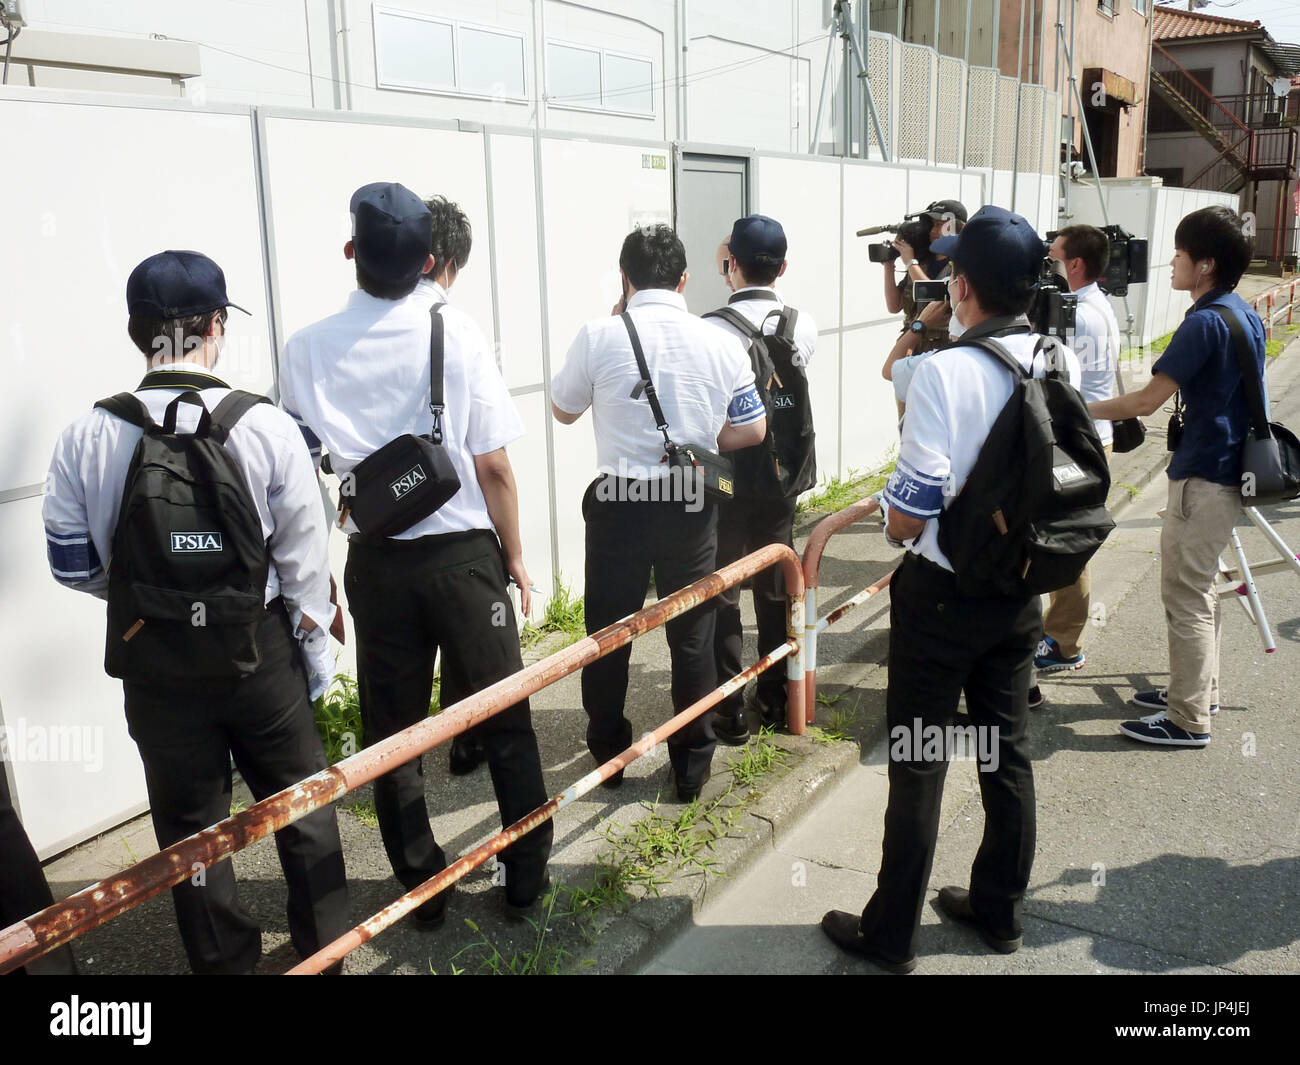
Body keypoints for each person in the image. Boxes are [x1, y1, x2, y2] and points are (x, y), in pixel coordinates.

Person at [42, 250, 350, 974]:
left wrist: (153, 605)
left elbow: (73, 567)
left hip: (156, 665)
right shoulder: (267, 427)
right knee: (301, 805)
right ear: (216, 325)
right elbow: (307, 569)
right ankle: (326, 952)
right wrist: (312, 659)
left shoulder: (87, 435)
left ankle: (226, 964)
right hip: (260, 652)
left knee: (191, 833)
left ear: (136, 331)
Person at [279, 182, 552, 921]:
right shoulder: (456, 331)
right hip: (465, 559)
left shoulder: (303, 349)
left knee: (393, 732)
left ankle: (421, 885)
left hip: (377, 565)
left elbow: (300, 481)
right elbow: (493, 465)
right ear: (431, 260)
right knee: (504, 716)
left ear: (350, 253)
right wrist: (516, 556)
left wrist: (317, 585)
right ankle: (525, 873)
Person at [821, 206, 1081, 972]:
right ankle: (998, 910)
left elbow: (912, 510)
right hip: (1019, 591)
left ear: (960, 285)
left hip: (941, 597)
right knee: (1008, 753)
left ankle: (890, 930)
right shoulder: (1052, 356)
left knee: (919, 756)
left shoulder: (942, 372)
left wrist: (898, 521)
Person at [550, 224, 766, 801]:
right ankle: (692, 763)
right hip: (690, 502)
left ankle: (608, 751)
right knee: (691, 633)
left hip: (620, 503)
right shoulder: (721, 342)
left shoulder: (598, 335)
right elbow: (753, 427)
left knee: (609, 632)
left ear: (625, 277)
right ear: (685, 279)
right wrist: (703, 437)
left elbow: (562, 409)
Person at [1088, 205, 1265, 747]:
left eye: (1181, 255)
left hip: (1204, 476)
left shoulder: (1204, 322)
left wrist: (1073, 407)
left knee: (1186, 594)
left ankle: (1188, 720)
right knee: (1203, 587)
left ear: (1206, 265)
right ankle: (1198, 691)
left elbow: (1145, 400)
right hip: (1230, 467)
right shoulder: (1243, 312)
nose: (1170, 263)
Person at [703, 214, 818, 742]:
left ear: (731, 264)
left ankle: (730, 708)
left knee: (723, 587)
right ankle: (775, 693)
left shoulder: (710, 328)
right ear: (783, 267)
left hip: (728, 478)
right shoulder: (802, 324)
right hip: (781, 475)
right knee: (776, 582)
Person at [1029, 224, 1122, 706]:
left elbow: (1055, 381)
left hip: (1077, 439)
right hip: (1090, 437)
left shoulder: (1074, 317)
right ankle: (1062, 634)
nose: (1048, 264)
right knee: (1068, 536)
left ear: (1076, 265)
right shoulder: (1096, 303)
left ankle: (1064, 642)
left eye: (1054, 257)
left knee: (1067, 539)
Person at [880, 199, 967, 355]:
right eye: (933, 224)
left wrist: (911, 263)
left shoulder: (960, 266)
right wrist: (889, 265)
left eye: (941, 225)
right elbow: (894, 306)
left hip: (942, 350)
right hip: (912, 347)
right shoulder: (923, 262)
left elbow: (935, 298)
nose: (934, 230)